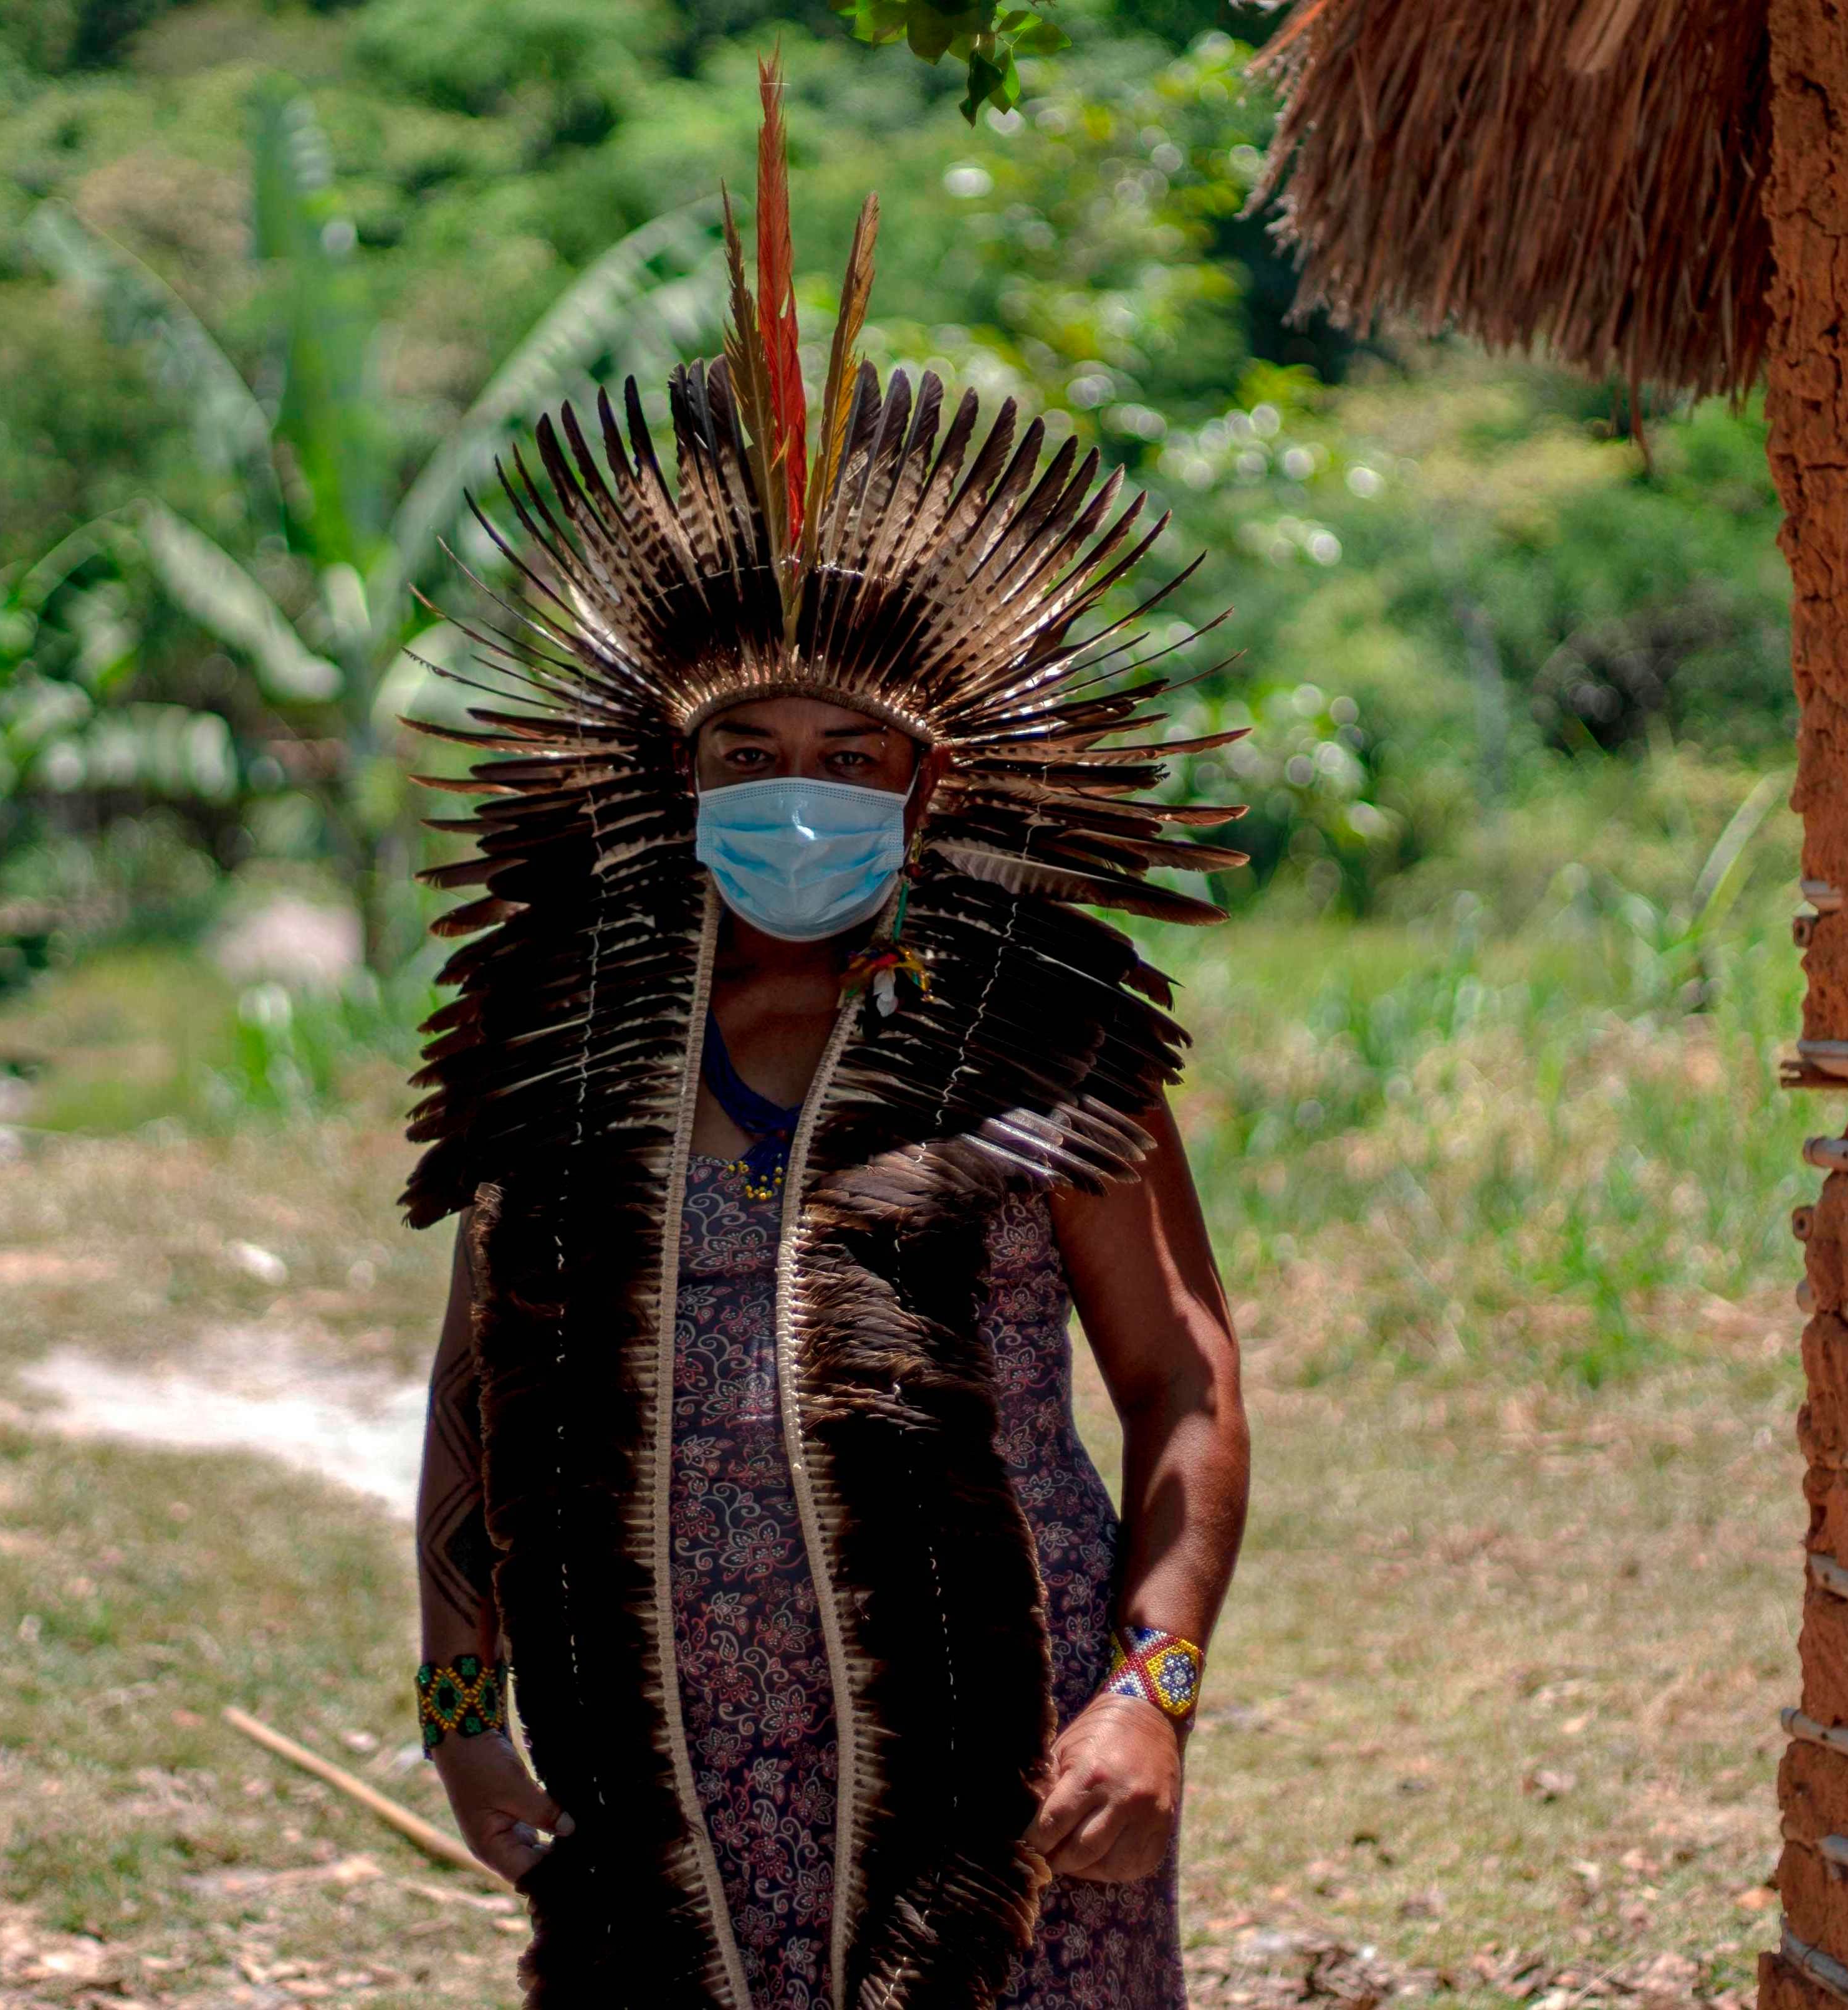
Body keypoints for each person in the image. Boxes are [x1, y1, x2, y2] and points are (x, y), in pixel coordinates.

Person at [400, 65, 1249, 2010]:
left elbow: (1183, 1391)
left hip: (1006, 1779)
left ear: (930, 776)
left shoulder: (1045, 1041)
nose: (798, 795)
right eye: (748, 754)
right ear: (671, 768)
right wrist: (460, 1694)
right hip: (659, 1780)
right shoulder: (564, 1039)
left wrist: (1153, 1690)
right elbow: (476, 1391)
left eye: (846, 756)